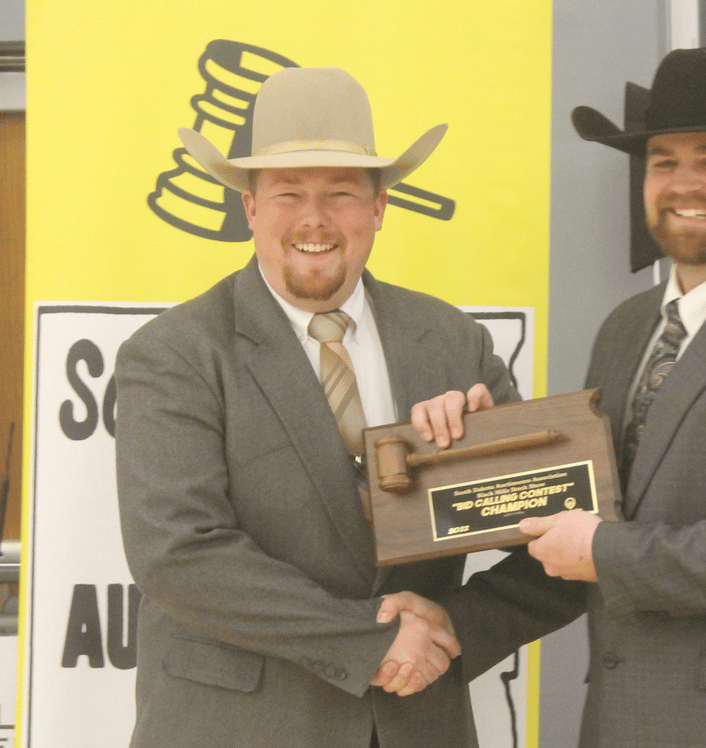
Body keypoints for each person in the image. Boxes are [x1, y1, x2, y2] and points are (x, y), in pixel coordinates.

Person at [410, 47, 706, 748]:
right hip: (620, 724)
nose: (684, 182)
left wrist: (606, 552)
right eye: (664, 160)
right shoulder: (628, 328)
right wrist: (481, 461)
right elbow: (588, 521)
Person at [114, 67, 576, 748]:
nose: (314, 219)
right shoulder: (175, 353)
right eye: (288, 193)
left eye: (341, 193)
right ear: (248, 208)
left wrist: (486, 474)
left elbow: (562, 533)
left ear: (380, 207)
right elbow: (178, 552)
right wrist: (373, 641)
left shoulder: (454, 344)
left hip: (418, 724)